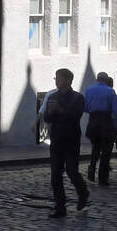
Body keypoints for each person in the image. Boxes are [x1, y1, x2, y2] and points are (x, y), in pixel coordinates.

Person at [43, 68, 89, 216]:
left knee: (71, 171)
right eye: (55, 78)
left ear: (68, 80)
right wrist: (50, 113)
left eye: (59, 78)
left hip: (71, 139)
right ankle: (60, 207)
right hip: (56, 139)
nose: (56, 81)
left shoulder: (77, 97)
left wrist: (60, 110)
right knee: (55, 174)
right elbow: (47, 119)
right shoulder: (52, 97)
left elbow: (75, 116)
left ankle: (83, 192)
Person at [84, 72, 117, 186]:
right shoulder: (110, 91)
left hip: (93, 120)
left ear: (97, 79)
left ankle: (91, 171)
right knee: (106, 151)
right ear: (106, 80)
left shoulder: (89, 89)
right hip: (106, 121)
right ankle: (102, 177)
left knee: (95, 147)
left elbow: (85, 108)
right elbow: (116, 111)